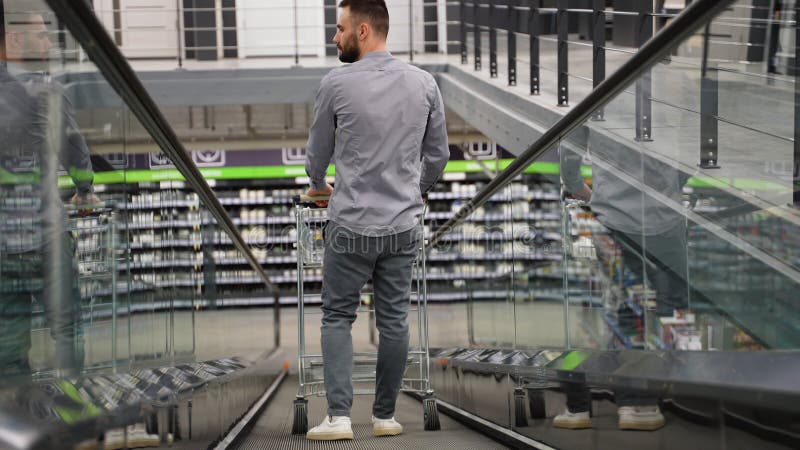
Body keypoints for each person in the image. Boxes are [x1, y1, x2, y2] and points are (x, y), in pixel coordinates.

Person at [303, 0, 449, 441]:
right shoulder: (424, 83)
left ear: (363, 31)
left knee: (336, 317)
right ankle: (385, 417)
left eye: (340, 28)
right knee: (394, 322)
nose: (335, 37)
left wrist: (318, 184)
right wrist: (415, 190)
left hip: (350, 225)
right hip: (403, 225)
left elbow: (317, 154)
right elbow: (438, 156)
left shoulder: (336, 83)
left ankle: (340, 418)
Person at [555, 120, 691, 430]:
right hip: (666, 219)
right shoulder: (675, 85)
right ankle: (678, 387)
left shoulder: (597, 90)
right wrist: (670, 187)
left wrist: (579, 187)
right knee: (675, 306)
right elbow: (695, 148)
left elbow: (570, 150)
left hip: (614, 218)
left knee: (627, 310)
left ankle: (635, 403)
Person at [0, 1, 98, 381]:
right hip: (46, 235)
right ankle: (74, 404)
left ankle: (20, 416)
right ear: (14, 39)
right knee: (66, 328)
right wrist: (84, 188)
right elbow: (74, 149)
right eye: (41, 35)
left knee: (9, 338)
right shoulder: (47, 90)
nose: (48, 43)